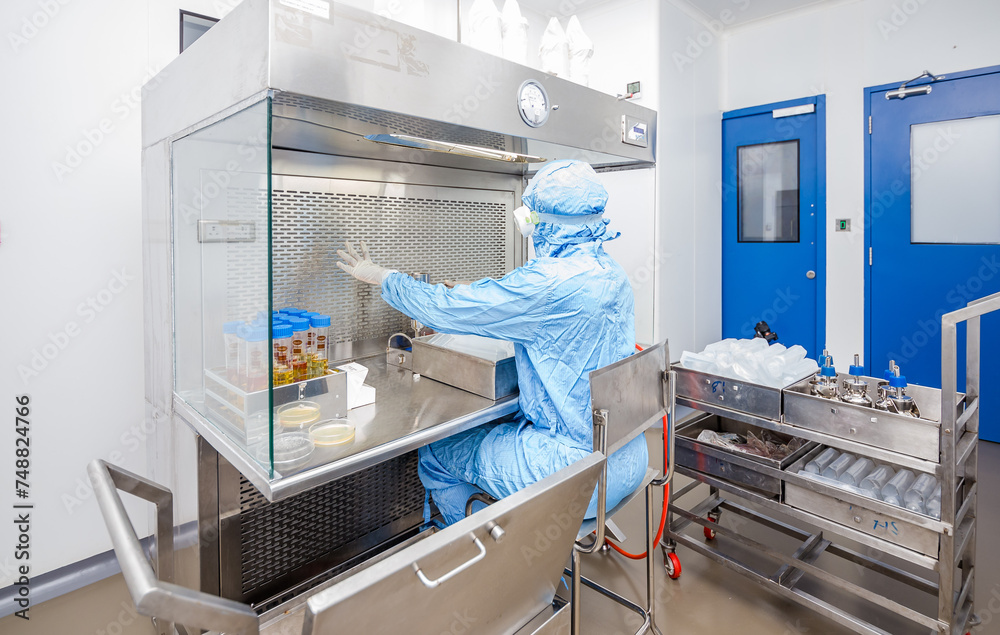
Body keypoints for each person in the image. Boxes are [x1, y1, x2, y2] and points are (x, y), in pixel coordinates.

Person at [336, 159, 648, 525]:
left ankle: (498, 560)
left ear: (541, 220)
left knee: (436, 452)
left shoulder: (546, 284)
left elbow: (446, 310)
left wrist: (383, 277)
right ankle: (525, 546)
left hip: (579, 472)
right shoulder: (610, 273)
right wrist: (472, 293)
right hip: (630, 455)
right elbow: (520, 303)